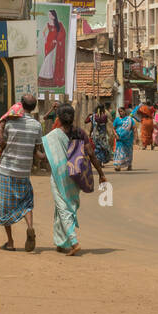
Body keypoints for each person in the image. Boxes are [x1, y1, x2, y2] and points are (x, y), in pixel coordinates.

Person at [42, 104, 107, 256]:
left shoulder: (54, 135)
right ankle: (60, 242)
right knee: (64, 206)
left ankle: (73, 242)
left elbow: (46, 155)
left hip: (59, 175)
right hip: (75, 173)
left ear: (58, 118)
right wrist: (101, 174)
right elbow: (91, 154)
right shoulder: (80, 133)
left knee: (63, 208)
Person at [0, 94, 42, 253]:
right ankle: (30, 227)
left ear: (21, 104)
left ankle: (10, 242)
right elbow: (37, 151)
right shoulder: (36, 125)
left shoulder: (9, 123)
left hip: (8, 169)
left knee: (5, 205)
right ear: (33, 108)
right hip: (24, 170)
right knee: (26, 202)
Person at [38, 9, 67, 88]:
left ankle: (50, 77)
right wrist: (45, 39)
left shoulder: (59, 24)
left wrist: (57, 40)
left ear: (54, 16)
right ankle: (43, 77)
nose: (49, 16)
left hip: (54, 44)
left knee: (50, 60)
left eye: (50, 14)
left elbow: (63, 33)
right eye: (48, 14)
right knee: (47, 59)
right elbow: (43, 32)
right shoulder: (47, 24)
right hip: (48, 43)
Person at [112, 105, 136, 171]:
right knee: (119, 151)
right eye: (119, 111)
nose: (120, 113)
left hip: (128, 139)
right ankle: (118, 165)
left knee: (128, 151)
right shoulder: (117, 119)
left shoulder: (129, 119)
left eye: (121, 111)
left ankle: (129, 165)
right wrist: (115, 134)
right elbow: (113, 128)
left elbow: (134, 128)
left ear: (125, 111)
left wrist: (135, 137)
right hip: (119, 138)